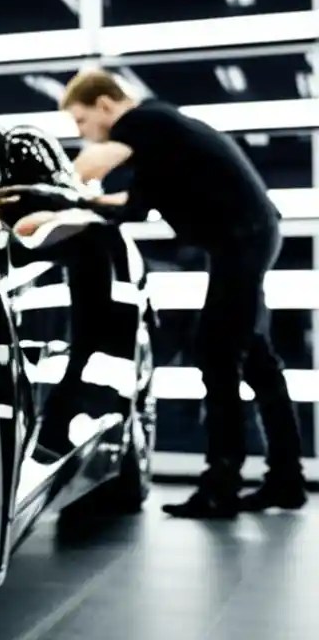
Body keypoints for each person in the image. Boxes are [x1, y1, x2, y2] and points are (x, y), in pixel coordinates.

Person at [58, 68, 307, 518]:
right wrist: (82, 205)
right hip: (249, 235)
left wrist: (60, 186)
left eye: (81, 120)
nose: (82, 132)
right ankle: (286, 481)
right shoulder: (160, 138)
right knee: (256, 358)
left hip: (242, 238)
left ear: (105, 105)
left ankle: (221, 486)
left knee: (217, 352)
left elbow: (92, 165)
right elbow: (134, 206)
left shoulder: (144, 121)